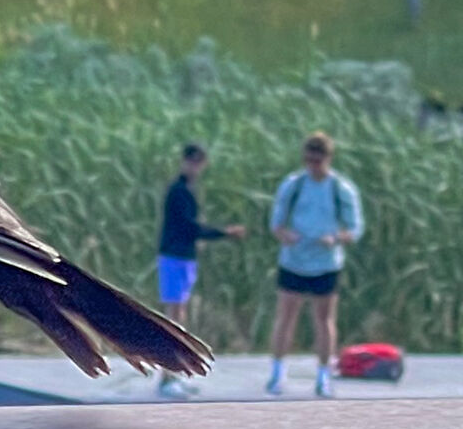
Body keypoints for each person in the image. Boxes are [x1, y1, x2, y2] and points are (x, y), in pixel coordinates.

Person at [266, 131, 364, 398]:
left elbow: (355, 228)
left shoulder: (339, 188)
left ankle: (323, 375)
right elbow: (276, 223)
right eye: (309, 160)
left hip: (326, 264)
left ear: (328, 159)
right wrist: (285, 235)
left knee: (324, 320)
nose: (313, 166)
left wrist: (335, 238)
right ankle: (277, 373)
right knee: (286, 317)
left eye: (318, 161)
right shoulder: (293, 184)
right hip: (294, 261)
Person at [156, 143, 246, 398]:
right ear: (184, 161)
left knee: (180, 315)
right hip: (173, 257)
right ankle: (166, 377)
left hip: (184, 258)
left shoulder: (188, 190)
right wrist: (225, 233)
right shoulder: (178, 191)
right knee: (173, 317)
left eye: (199, 162)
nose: (195, 167)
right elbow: (189, 227)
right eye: (191, 161)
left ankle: (176, 373)